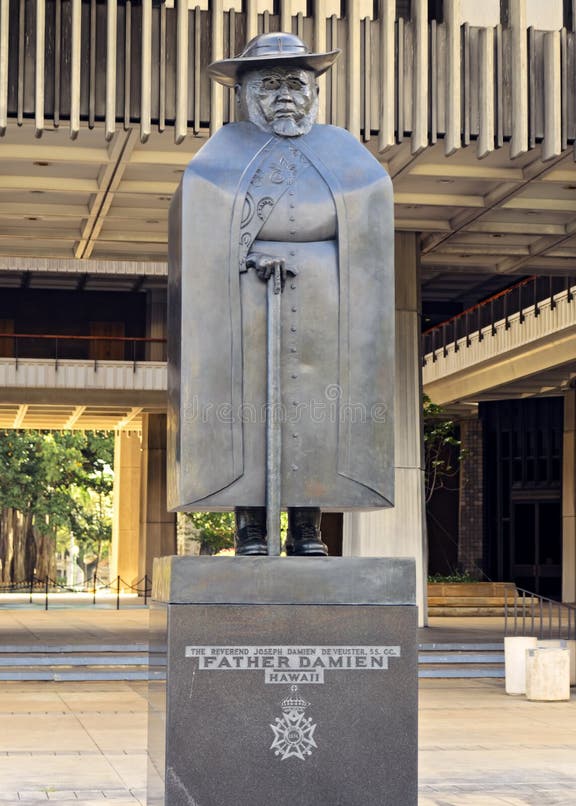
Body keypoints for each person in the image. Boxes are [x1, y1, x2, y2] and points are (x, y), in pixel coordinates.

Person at [168, 33, 394, 556]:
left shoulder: (343, 149)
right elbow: (203, 234)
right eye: (269, 85)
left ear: (315, 90)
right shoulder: (219, 155)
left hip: (326, 312)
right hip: (246, 307)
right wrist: (246, 260)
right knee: (248, 415)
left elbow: (370, 212)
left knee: (316, 417)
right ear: (243, 94)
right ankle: (249, 525)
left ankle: (307, 527)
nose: (285, 95)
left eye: (296, 83)